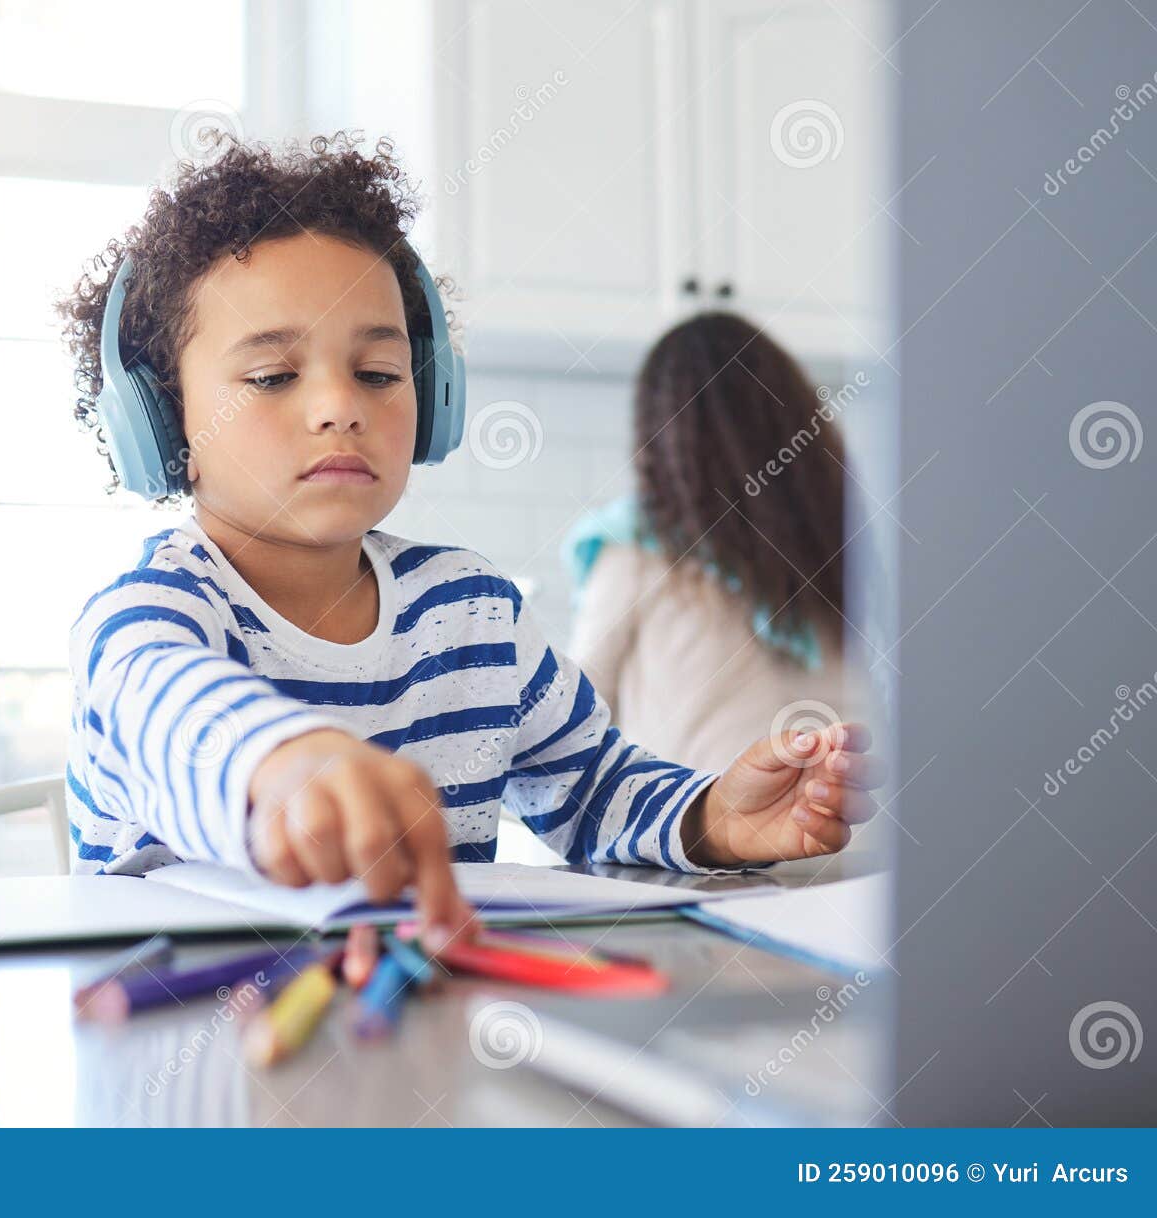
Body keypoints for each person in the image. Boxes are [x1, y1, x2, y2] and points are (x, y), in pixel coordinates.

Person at [57, 133, 880, 948]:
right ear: (163, 420)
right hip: (185, 1046)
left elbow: (592, 790)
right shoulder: (146, 617)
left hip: (414, 1027)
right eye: (273, 377)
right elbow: (178, 714)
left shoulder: (471, 612)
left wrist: (713, 817)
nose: (339, 406)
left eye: (379, 373)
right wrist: (287, 764)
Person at [564, 312, 851, 773]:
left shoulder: (638, 549)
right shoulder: (839, 537)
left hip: (699, 838)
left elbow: (569, 722)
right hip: (850, 831)